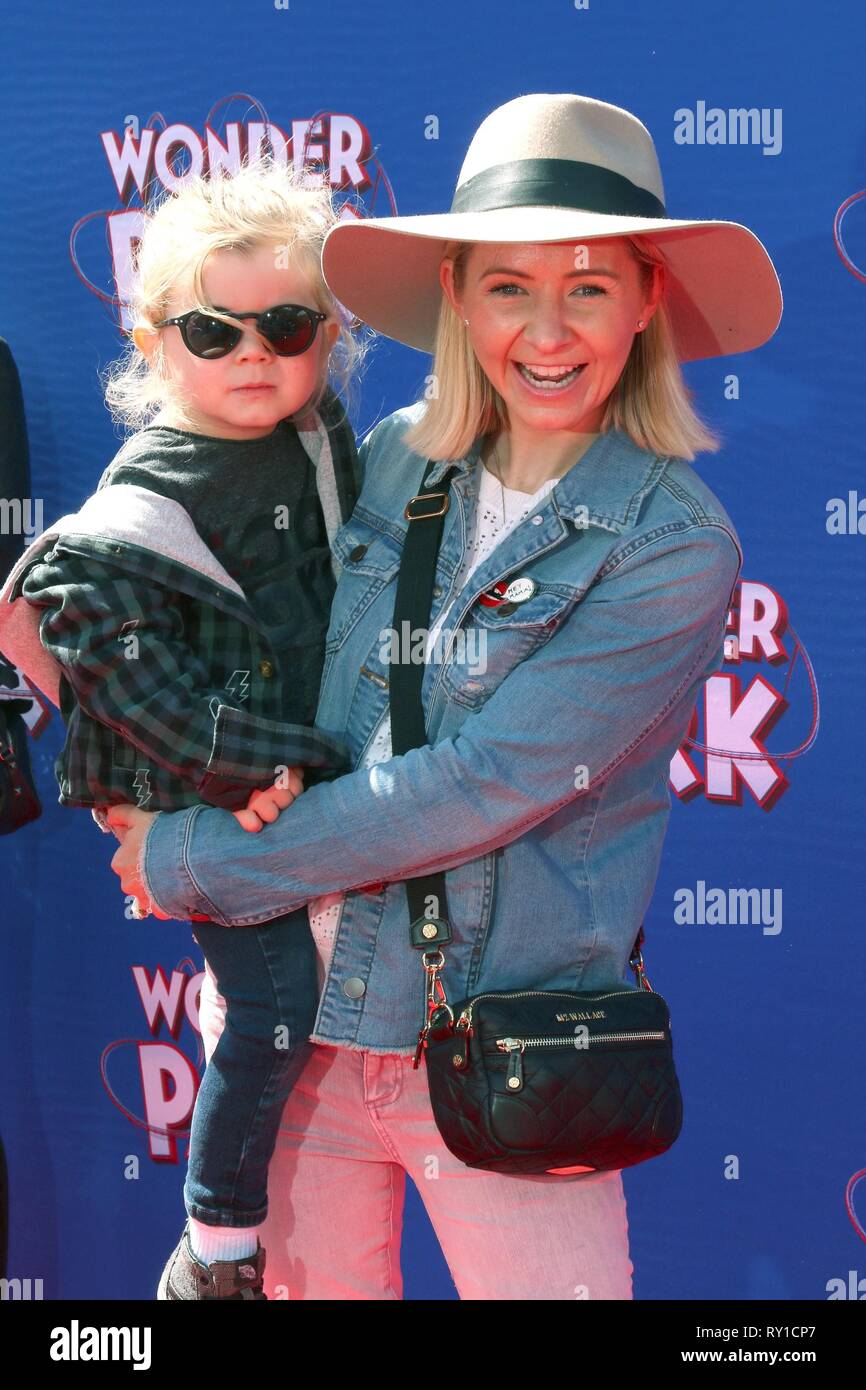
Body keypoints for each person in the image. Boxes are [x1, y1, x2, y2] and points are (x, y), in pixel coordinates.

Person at [110, 92, 782, 1301]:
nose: (546, 329)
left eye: (585, 286)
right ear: (459, 299)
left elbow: (474, 787)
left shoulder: (674, 544)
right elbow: (251, 651)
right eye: (508, 286)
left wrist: (195, 860)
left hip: (506, 1050)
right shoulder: (399, 453)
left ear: (645, 301)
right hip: (295, 1040)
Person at [0, 162, 366, 1299]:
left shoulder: (325, 437)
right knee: (267, 1012)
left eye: (288, 323)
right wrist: (242, 766)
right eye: (213, 330)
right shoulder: (137, 500)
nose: (254, 352)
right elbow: (123, 677)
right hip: (198, 784)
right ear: (156, 344)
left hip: (304, 780)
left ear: (330, 335)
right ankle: (213, 1249)